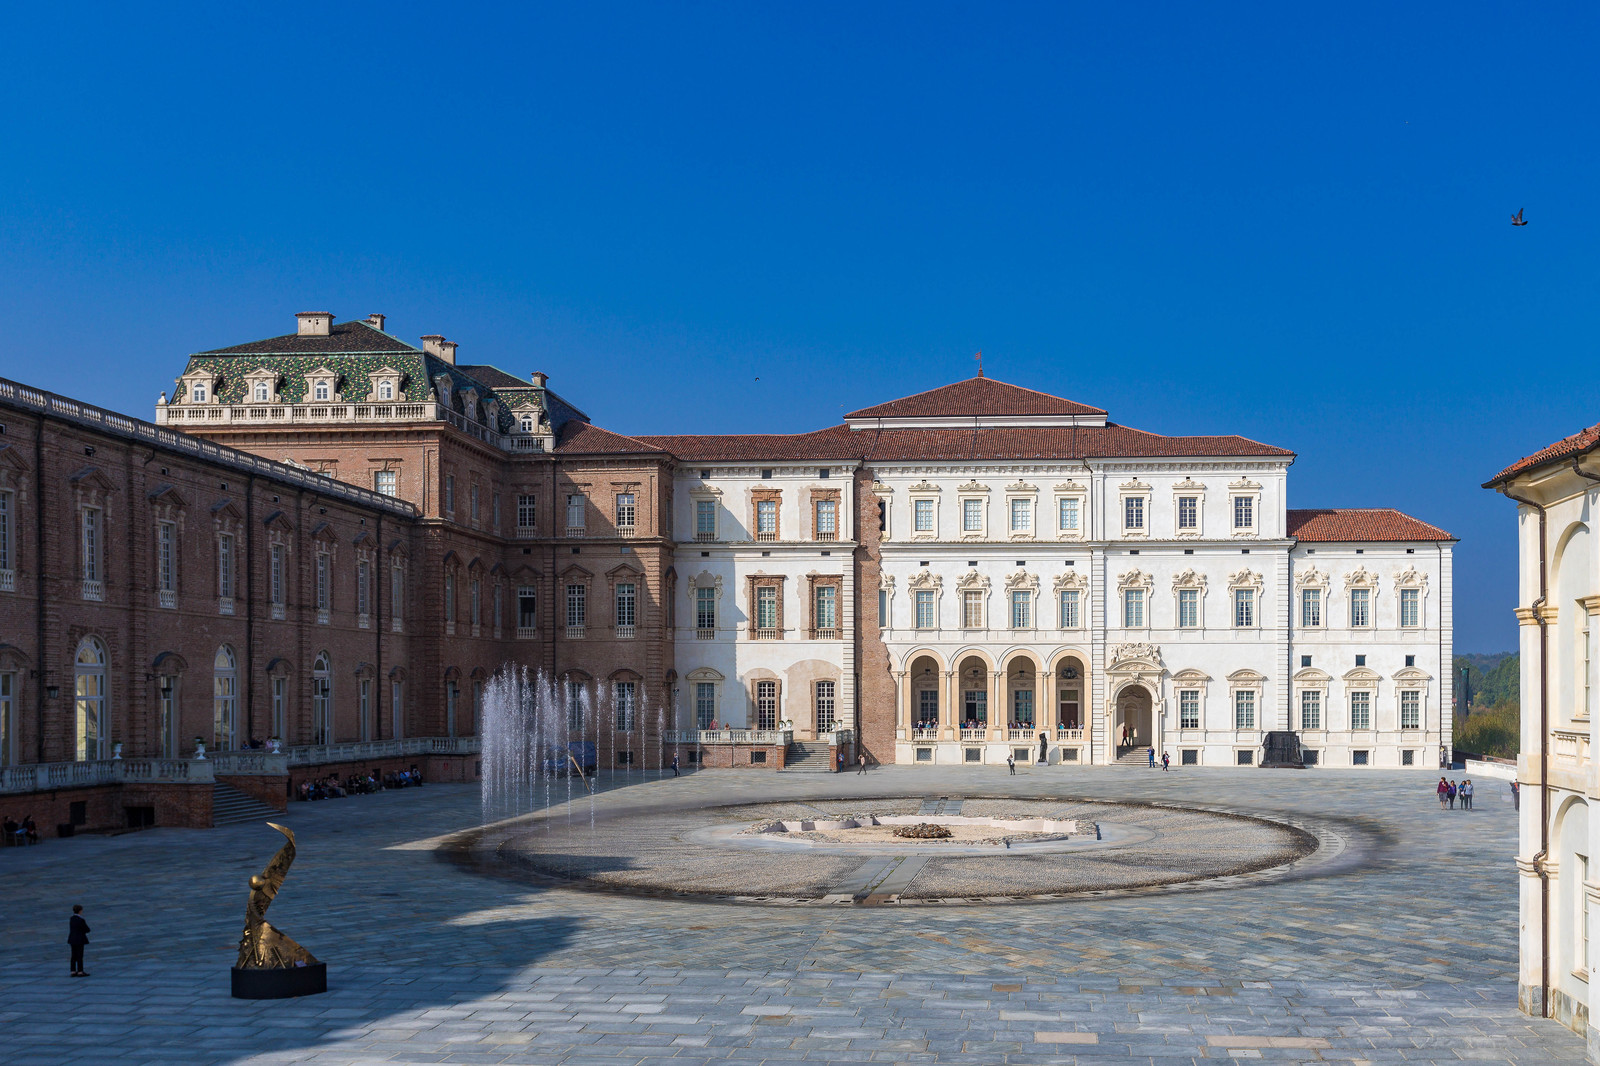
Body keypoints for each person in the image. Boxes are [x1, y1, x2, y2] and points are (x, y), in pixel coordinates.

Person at [68, 904, 90, 977]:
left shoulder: (71, 918)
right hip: (80, 939)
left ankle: (73, 971)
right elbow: (87, 929)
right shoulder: (81, 919)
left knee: (73, 955)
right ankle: (80, 971)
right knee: (80, 955)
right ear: (80, 911)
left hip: (72, 938)